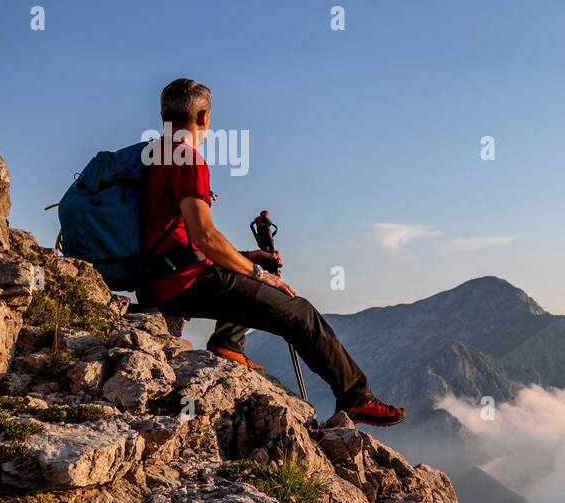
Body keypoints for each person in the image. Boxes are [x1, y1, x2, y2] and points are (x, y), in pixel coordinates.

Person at [136, 78, 405, 427]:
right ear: (203, 116)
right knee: (300, 313)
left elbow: (183, 236)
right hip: (183, 282)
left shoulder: (154, 154)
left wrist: (248, 257)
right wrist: (260, 274)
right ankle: (356, 397)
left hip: (156, 278)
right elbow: (205, 238)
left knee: (244, 272)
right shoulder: (187, 158)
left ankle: (228, 343)